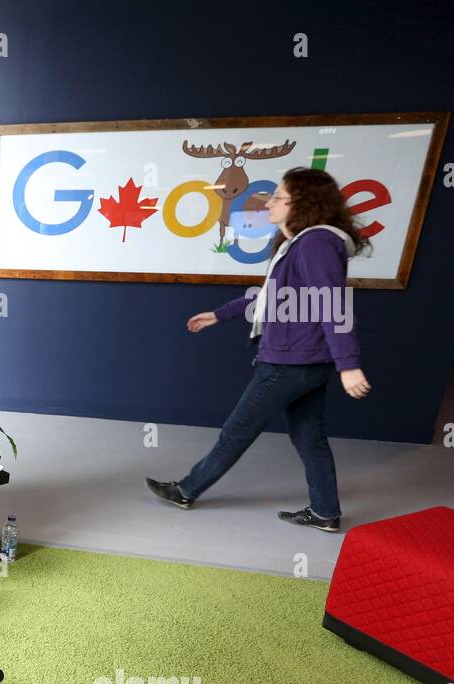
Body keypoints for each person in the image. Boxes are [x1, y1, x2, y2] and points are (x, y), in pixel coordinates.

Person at [145, 167, 372, 532]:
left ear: (304, 204)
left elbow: (332, 304)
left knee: (237, 431)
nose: (269, 202)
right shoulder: (301, 243)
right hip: (305, 362)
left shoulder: (315, 243)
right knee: (309, 438)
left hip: (290, 363)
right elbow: (273, 299)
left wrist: (349, 364)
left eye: (278, 196)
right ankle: (325, 512)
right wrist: (220, 315)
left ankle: (186, 490)